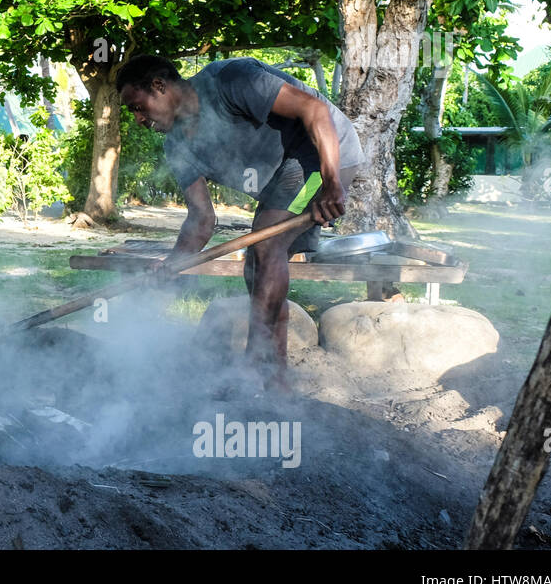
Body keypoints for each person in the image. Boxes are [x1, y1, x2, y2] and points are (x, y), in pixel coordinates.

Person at [116, 55, 366, 388]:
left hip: (325, 152)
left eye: (138, 106)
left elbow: (315, 111)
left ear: (159, 86)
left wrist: (332, 182)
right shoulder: (177, 145)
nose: (137, 118)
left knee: (265, 245)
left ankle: (255, 366)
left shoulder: (232, 80)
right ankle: (275, 378)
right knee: (258, 263)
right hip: (284, 175)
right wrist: (172, 264)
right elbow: (202, 218)